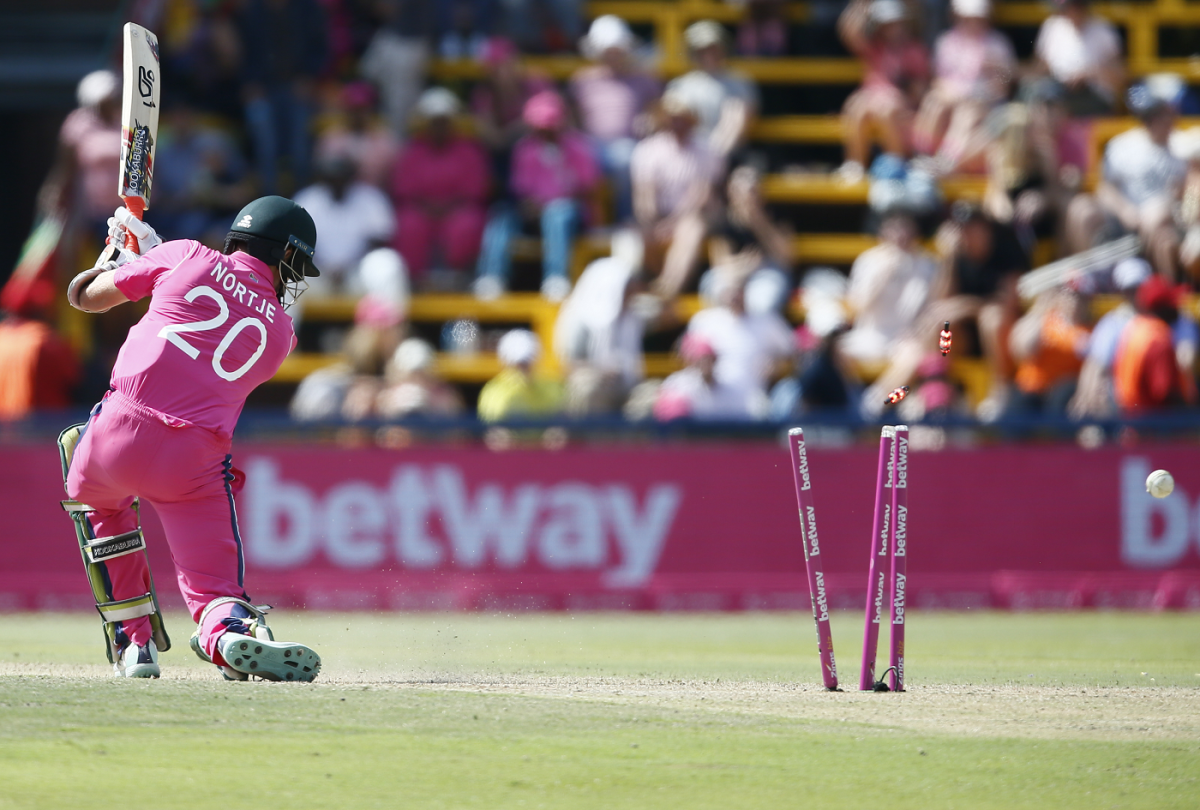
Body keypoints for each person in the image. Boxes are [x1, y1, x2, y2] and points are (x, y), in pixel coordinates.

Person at [62, 196, 323, 680]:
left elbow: (87, 299)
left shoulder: (186, 254)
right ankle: (226, 631)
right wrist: (149, 259)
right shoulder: (282, 335)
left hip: (117, 433)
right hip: (194, 462)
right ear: (284, 254)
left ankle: (134, 643)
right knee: (214, 585)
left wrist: (119, 261)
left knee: (94, 490)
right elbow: (211, 320)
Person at [474, 90, 600, 301]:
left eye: (550, 125)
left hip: (571, 216)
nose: (545, 131)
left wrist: (555, 199)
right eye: (540, 126)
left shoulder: (578, 147)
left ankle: (556, 278)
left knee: (558, 213)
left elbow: (588, 189)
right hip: (534, 215)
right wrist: (530, 205)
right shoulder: (525, 149)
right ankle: (491, 277)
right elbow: (521, 189)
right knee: (502, 214)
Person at [1066, 77, 1188, 281]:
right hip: (1125, 218)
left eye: (1165, 114)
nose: (1162, 121)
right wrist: (1126, 211)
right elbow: (1105, 189)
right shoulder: (1123, 145)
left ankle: (1163, 292)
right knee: (1081, 209)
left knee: (1161, 232)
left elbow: (1193, 195)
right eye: (1155, 116)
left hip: (1168, 222)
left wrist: (1169, 205)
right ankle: (1089, 281)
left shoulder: (1186, 147)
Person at [390, 88, 491, 287]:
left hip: (457, 209)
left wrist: (447, 207)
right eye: (435, 123)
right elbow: (404, 190)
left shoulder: (468, 151)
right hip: (421, 210)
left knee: (468, 223)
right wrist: (429, 207)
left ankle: (459, 276)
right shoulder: (413, 151)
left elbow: (475, 190)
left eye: (443, 122)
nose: (439, 127)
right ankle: (415, 280)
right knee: (408, 224)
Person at [631, 92, 723, 299]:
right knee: (634, 234)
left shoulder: (708, 150)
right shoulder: (647, 150)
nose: (677, 123)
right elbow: (644, 196)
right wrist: (652, 222)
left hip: (697, 215)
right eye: (672, 117)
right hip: (662, 217)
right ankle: (645, 286)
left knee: (692, 228)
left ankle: (669, 289)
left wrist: (672, 223)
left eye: (682, 117)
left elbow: (702, 196)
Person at [570, 16, 661, 223]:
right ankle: (591, 224)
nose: (613, 56)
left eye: (617, 51)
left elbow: (658, 109)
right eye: (608, 51)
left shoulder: (644, 78)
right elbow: (573, 115)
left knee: (624, 159)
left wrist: (650, 119)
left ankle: (626, 220)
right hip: (588, 144)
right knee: (580, 161)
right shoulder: (583, 80)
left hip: (630, 143)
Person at [236, 0, 328, 193]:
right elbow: (243, 54)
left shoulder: (308, 9)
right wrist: (250, 83)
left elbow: (320, 48)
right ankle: (269, 202)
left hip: (298, 87)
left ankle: (302, 202)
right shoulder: (252, 11)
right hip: (263, 89)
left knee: (300, 150)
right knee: (265, 148)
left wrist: (308, 77)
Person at [912, 0, 1015, 173]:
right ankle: (921, 155)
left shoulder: (998, 43)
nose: (973, 23)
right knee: (934, 103)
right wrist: (955, 95)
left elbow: (1006, 85)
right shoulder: (946, 41)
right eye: (968, 18)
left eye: (978, 18)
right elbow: (937, 80)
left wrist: (996, 70)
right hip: (953, 99)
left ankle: (946, 161)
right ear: (958, 17)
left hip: (986, 104)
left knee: (966, 113)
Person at [836, 0, 930, 183]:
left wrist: (902, 91)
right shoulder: (874, 47)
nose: (894, 29)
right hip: (873, 101)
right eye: (888, 24)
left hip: (901, 107)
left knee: (886, 109)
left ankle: (897, 166)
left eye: (897, 23)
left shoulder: (915, 51)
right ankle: (855, 165)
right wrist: (861, 5)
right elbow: (849, 32)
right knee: (856, 106)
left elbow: (920, 91)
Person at [841, 207, 937, 369]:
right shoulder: (868, 260)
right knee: (829, 354)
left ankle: (878, 395)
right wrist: (883, 274)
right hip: (869, 336)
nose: (901, 234)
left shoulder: (929, 265)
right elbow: (858, 307)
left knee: (915, 356)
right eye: (894, 227)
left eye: (906, 226)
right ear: (883, 231)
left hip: (906, 338)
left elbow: (933, 309)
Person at [685, 269, 795, 406]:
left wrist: (776, 365)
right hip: (707, 402)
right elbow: (687, 359)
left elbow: (792, 352)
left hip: (752, 403)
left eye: (738, 289)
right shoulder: (703, 321)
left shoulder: (766, 320)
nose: (733, 295)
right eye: (728, 290)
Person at [554, 256, 645, 415]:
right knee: (587, 386)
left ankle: (635, 440)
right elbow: (569, 364)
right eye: (627, 288)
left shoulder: (633, 316)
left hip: (626, 385)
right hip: (598, 384)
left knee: (652, 395)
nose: (632, 293)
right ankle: (591, 438)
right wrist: (601, 370)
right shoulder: (580, 319)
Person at [294, 154, 396, 294]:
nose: (338, 182)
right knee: (287, 265)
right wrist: (323, 266)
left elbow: (378, 242)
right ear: (323, 178)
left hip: (357, 274)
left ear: (351, 178)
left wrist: (347, 267)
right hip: (317, 273)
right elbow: (296, 243)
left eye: (342, 178)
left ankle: (383, 316)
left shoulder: (371, 198)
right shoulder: (307, 200)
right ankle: (280, 316)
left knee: (386, 262)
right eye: (333, 178)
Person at [665, 20, 759, 163]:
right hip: (686, 157)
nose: (709, 54)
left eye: (713, 48)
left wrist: (711, 160)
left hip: (728, 157)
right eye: (702, 49)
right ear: (693, 51)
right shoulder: (679, 85)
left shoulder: (739, 82)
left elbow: (736, 124)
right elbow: (673, 123)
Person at [1069, 257, 1150, 419]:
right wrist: (1085, 397)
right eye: (1129, 289)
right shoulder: (1113, 322)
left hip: (1151, 394)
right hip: (1121, 396)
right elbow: (1096, 364)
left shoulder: (1164, 316)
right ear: (1122, 291)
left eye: (1139, 287)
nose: (1134, 294)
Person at [1112, 275, 1197, 414]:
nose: (1178, 309)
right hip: (1155, 426)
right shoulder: (1159, 341)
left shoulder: (1135, 329)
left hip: (1133, 418)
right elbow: (1166, 393)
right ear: (1162, 308)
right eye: (1173, 304)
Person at [1032, 0, 1123, 117]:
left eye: (1078, 5)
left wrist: (1089, 74)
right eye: (1069, 6)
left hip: (1094, 97)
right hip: (1058, 94)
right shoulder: (1052, 26)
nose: (1074, 10)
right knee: (1040, 95)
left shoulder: (1103, 30)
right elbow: (1039, 67)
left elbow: (1120, 77)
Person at [654, 332, 766, 420]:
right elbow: (671, 424)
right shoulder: (677, 385)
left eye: (709, 359)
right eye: (700, 359)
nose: (705, 364)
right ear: (690, 361)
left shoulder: (730, 387)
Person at [315, 81, 401, 189]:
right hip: (338, 197)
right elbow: (323, 172)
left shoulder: (385, 139)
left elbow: (394, 176)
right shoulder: (331, 138)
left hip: (375, 196)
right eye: (353, 109)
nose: (357, 114)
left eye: (362, 109)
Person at [477, 329, 564, 421]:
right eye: (517, 365)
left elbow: (562, 421)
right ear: (505, 365)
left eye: (526, 364)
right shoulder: (492, 393)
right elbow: (492, 428)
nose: (522, 371)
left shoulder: (553, 390)